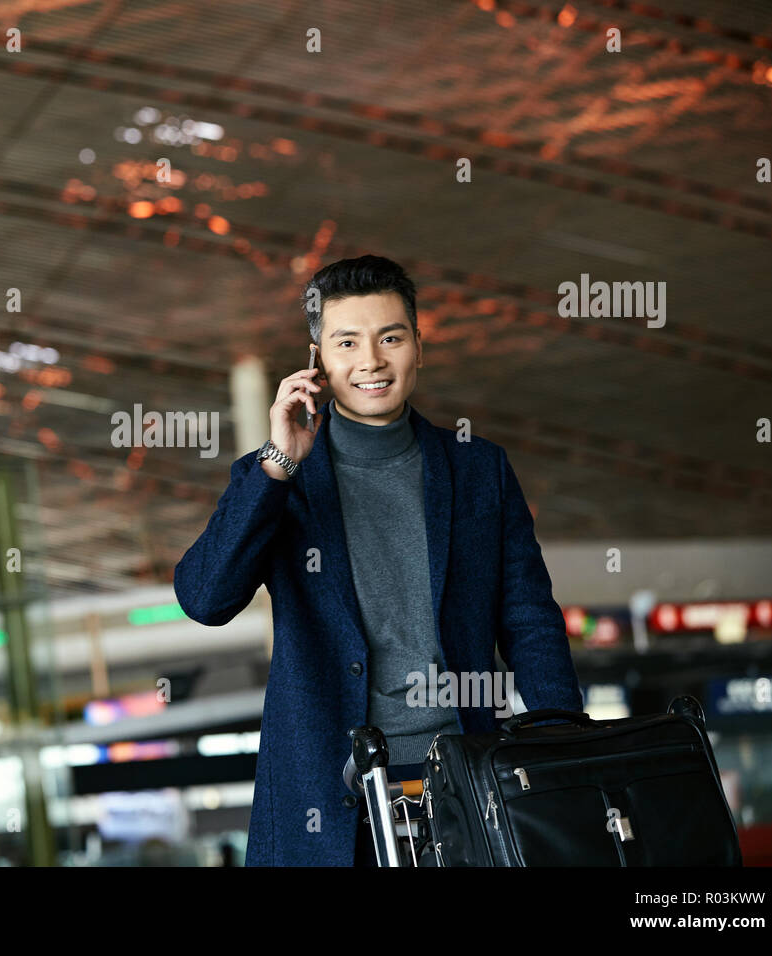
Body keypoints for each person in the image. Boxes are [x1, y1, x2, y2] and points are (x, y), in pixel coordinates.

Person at [173, 255, 583, 866]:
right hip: (329, 798)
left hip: (467, 789)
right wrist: (278, 463)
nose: (371, 361)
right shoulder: (280, 479)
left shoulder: (479, 469)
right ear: (317, 360)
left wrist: (558, 747)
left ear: (419, 345)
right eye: (347, 342)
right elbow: (205, 599)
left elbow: (529, 619)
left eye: (391, 337)